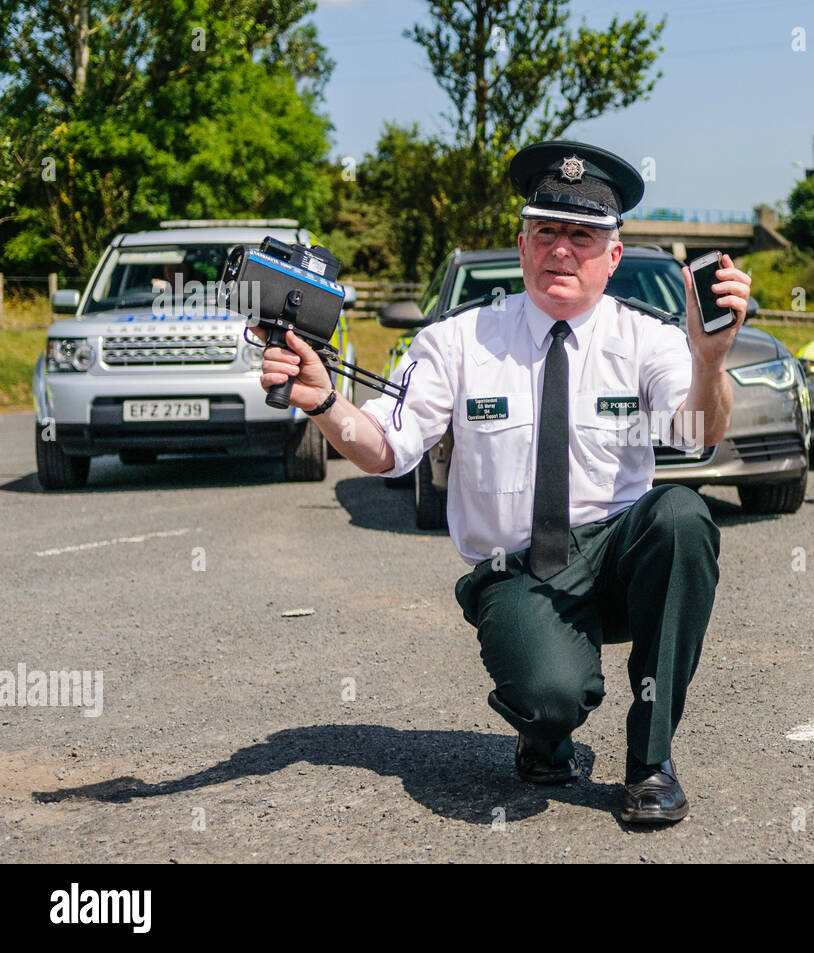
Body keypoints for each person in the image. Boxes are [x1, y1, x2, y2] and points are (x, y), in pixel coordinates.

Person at [257, 140, 751, 824]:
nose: (561, 250)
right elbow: (386, 449)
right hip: (517, 571)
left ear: (612, 258)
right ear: (522, 245)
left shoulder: (649, 339)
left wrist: (711, 359)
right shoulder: (458, 340)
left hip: (616, 557)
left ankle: (650, 763)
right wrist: (322, 402)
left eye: (583, 236)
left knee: (682, 515)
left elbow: (698, 432)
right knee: (551, 695)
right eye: (546, 230)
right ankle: (544, 731)